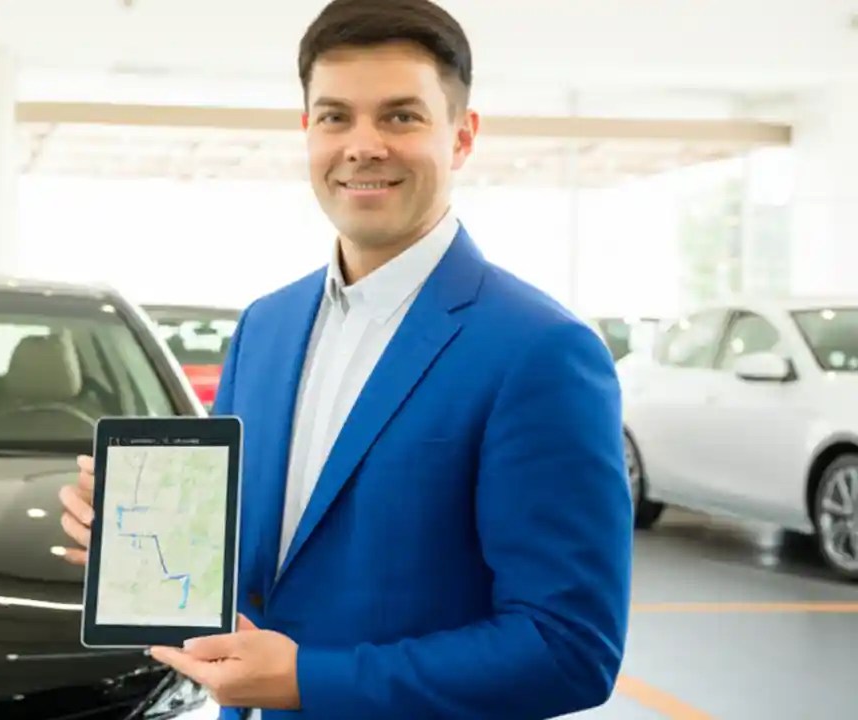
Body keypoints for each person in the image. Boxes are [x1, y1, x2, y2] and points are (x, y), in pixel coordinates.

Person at [58, 0, 634, 717]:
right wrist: (141, 543)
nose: (363, 145)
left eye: (401, 116)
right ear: (308, 132)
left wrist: (308, 679)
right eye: (335, 117)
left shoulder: (541, 351)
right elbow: (264, 571)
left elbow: (568, 649)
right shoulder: (267, 327)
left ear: (462, 137)